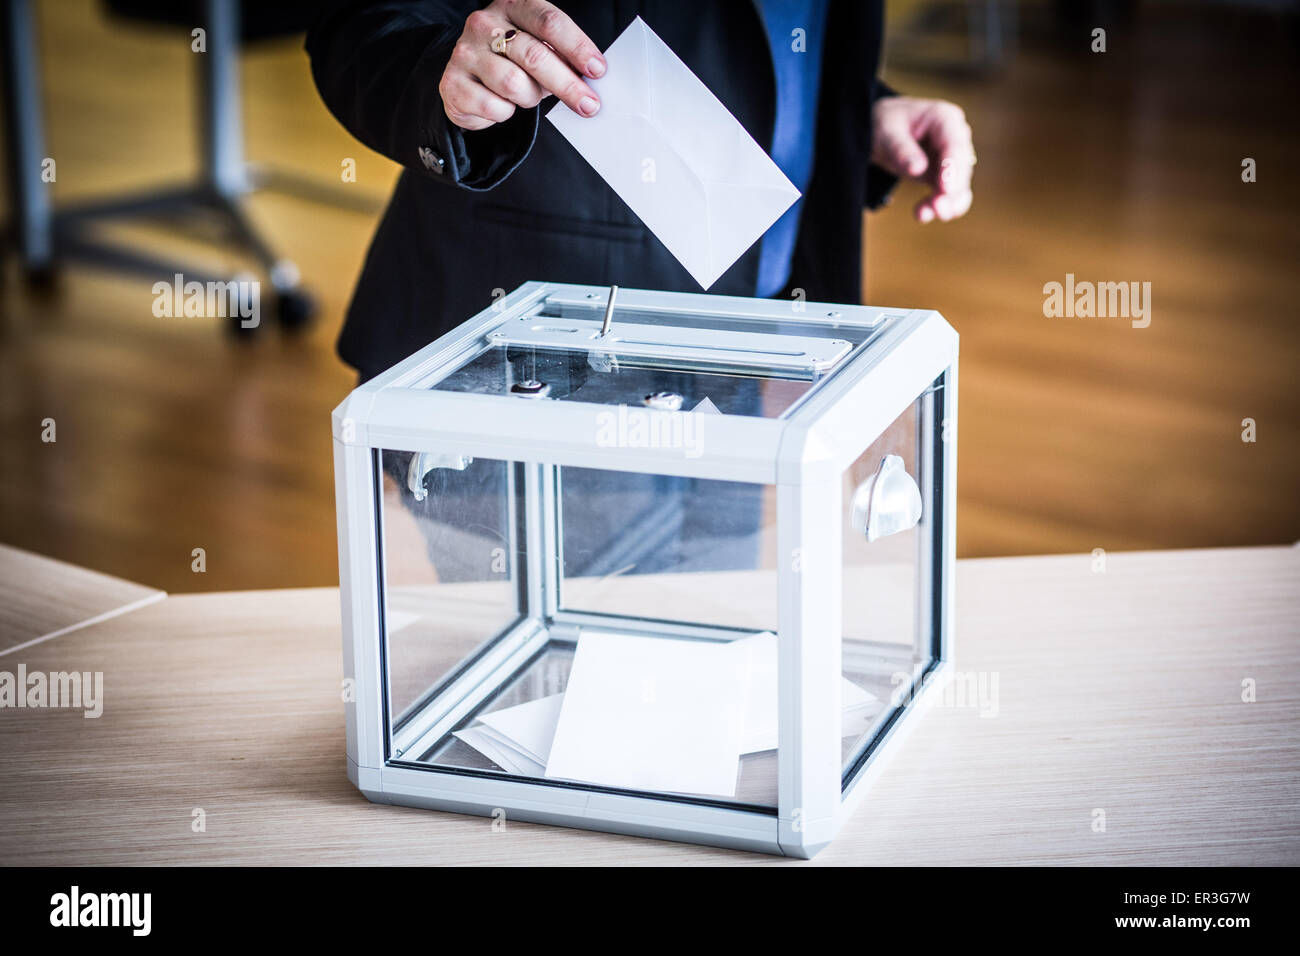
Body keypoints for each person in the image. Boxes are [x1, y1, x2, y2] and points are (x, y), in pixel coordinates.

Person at [307, 0, 975, 584]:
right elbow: (359, 19)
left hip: (749, 354)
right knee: (564, 692)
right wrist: (443, 74)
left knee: (710, 652)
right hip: (536, 363)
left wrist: (863, 112)